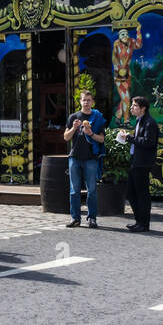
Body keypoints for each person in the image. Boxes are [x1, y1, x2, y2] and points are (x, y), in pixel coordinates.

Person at [63, 90, 106, 228]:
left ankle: (92, 218)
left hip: (90, 159)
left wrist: (91, 133)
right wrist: (74, 128)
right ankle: (75, 218)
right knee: (74, 190)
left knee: (92, 190)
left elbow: (101, 139)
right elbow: (66, 137)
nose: (86, 103)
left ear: (92, 102)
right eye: (84, 100)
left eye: (89, 100)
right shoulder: (74, 117)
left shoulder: (97, 117)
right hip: (75, 158)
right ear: (80, 102)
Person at [122, 95, 160, 232]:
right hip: (135, 161)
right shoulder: (139, 121)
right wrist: (128, 138)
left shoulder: (150, 122)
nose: (132, 108)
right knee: (131, 193)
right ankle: (139, 221)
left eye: (135, 106)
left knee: (142, 194)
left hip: (143, 163)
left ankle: (144, 223)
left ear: (143, 108)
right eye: (132, 105)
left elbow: (149, 142)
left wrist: (130, 138)